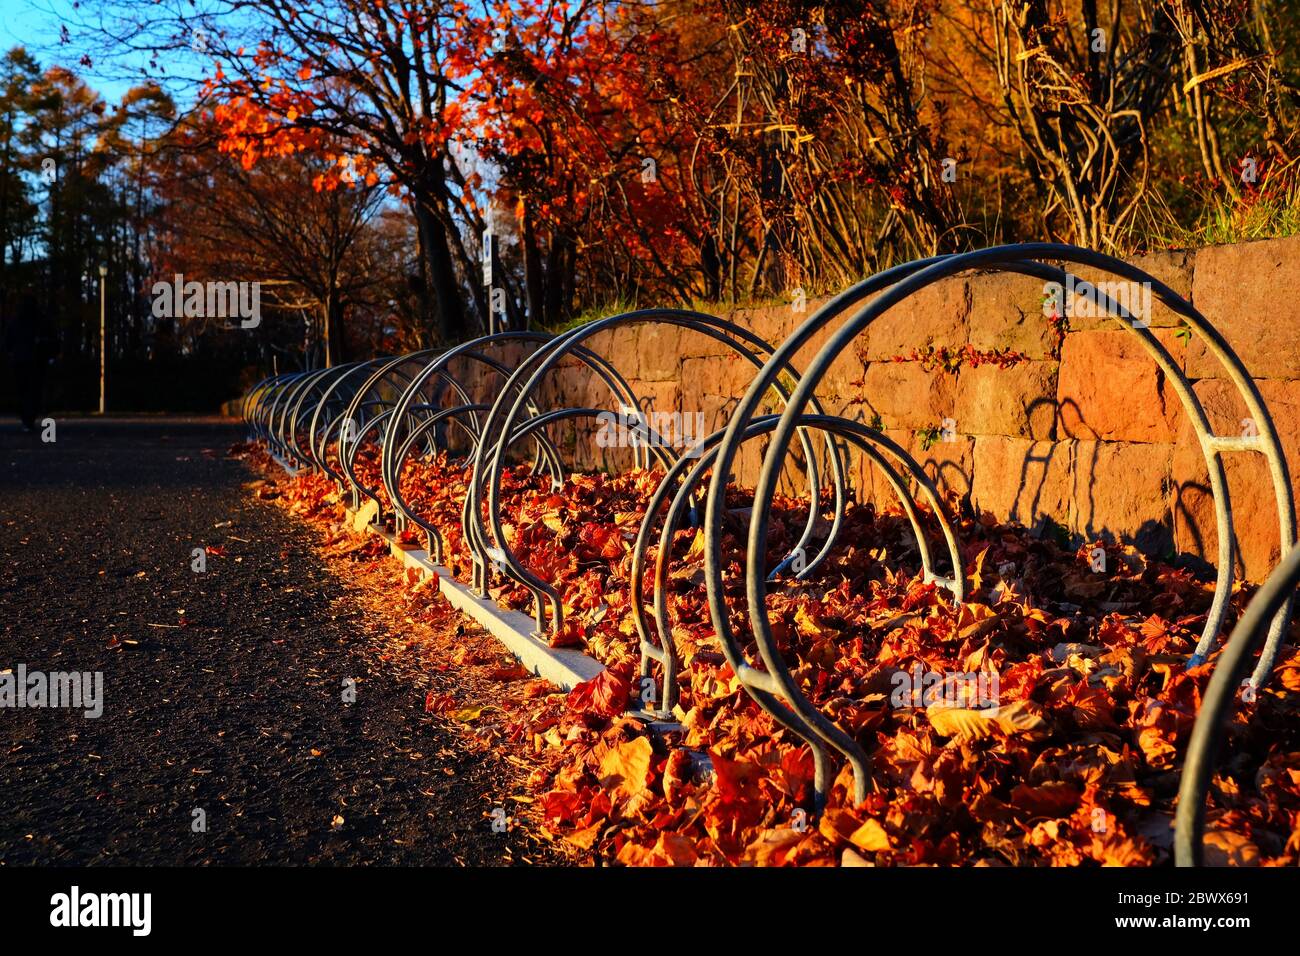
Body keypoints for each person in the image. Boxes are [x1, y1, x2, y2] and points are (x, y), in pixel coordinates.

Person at [3, 290, 53, 432]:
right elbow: (52, 340)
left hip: (21, 361)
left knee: (23, 391)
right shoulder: (41, 320)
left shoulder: (15, 321)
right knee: (33, 391)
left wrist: (11, 354)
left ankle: (26, 419)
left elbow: (7, 341)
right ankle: (28, 418)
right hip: (36, 361)